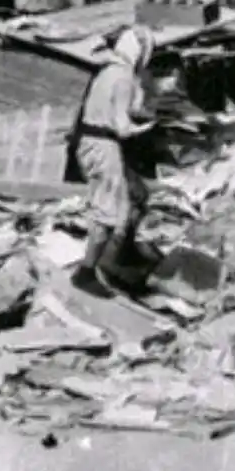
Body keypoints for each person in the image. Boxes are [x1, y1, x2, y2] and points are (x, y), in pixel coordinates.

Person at [70, 26, 159, 297]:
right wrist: (149, 126)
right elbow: (123, 127)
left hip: (92, 141)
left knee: (137, 194)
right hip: (104, 145)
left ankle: (124, 253)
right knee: (106, 214)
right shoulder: (124, 77)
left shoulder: (109, 70)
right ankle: (86, 273)